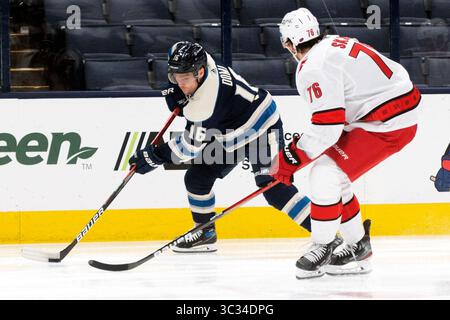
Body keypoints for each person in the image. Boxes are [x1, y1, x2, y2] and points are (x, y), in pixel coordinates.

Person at [128, 41, 333, 253]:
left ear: (200, 72)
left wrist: (155, 155)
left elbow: (189, 147)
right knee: (197, 179)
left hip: (261, 127)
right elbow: (181, 56)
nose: (180, 83)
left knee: (274, 189)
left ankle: (328, 237)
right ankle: (205, 232)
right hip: (230, 131)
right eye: (176, 78)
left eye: (185, 79)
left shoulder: (207, 102)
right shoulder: (201, 60)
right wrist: (182, 91)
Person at [270, 8, 420, 279]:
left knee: (325, 174)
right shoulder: (332, 44)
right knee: (335, 176)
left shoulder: (312, 67)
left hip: (387, 123)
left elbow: (327, 129)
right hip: (390, 112)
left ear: (289, 43)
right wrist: (295, 156)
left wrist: (289, 159)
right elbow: (334, 121)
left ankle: (323, 246)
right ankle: (358, 248)